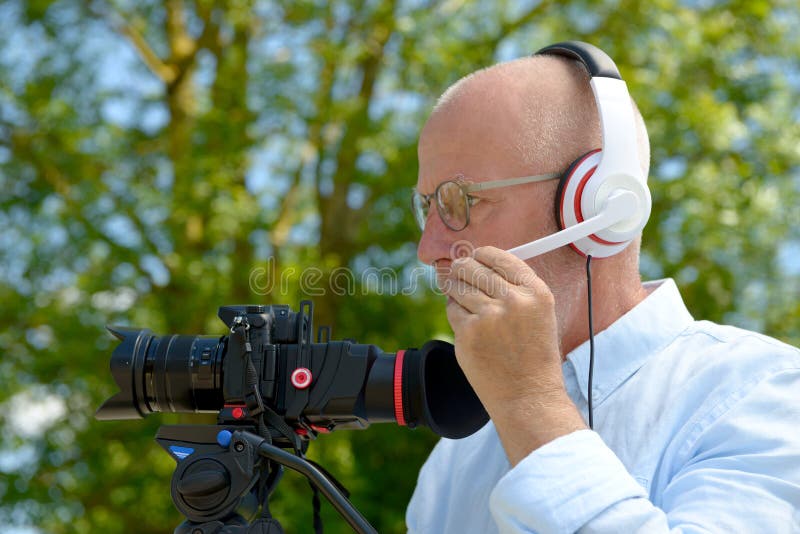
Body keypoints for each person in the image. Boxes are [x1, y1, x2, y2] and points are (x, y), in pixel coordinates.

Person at [406, 47, 800, 533]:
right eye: (427, 206)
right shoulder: (456, 456)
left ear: (598, 206)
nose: (429, 248)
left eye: (459, 200)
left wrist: (531, 406)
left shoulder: (770, 395)